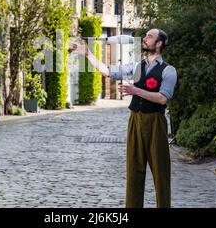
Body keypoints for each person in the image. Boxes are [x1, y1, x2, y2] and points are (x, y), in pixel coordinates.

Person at [70, 28, 177, 208]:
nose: (145, 39)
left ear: (159, 44)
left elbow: (162, 98)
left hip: (155, 122)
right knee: (134, 172)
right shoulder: (137, 67)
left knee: (161, 172)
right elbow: (107, 71)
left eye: (149, 37)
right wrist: (88, 55)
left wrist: (136, 91)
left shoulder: (168, 70)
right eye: (145, 36)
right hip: (135, 120)